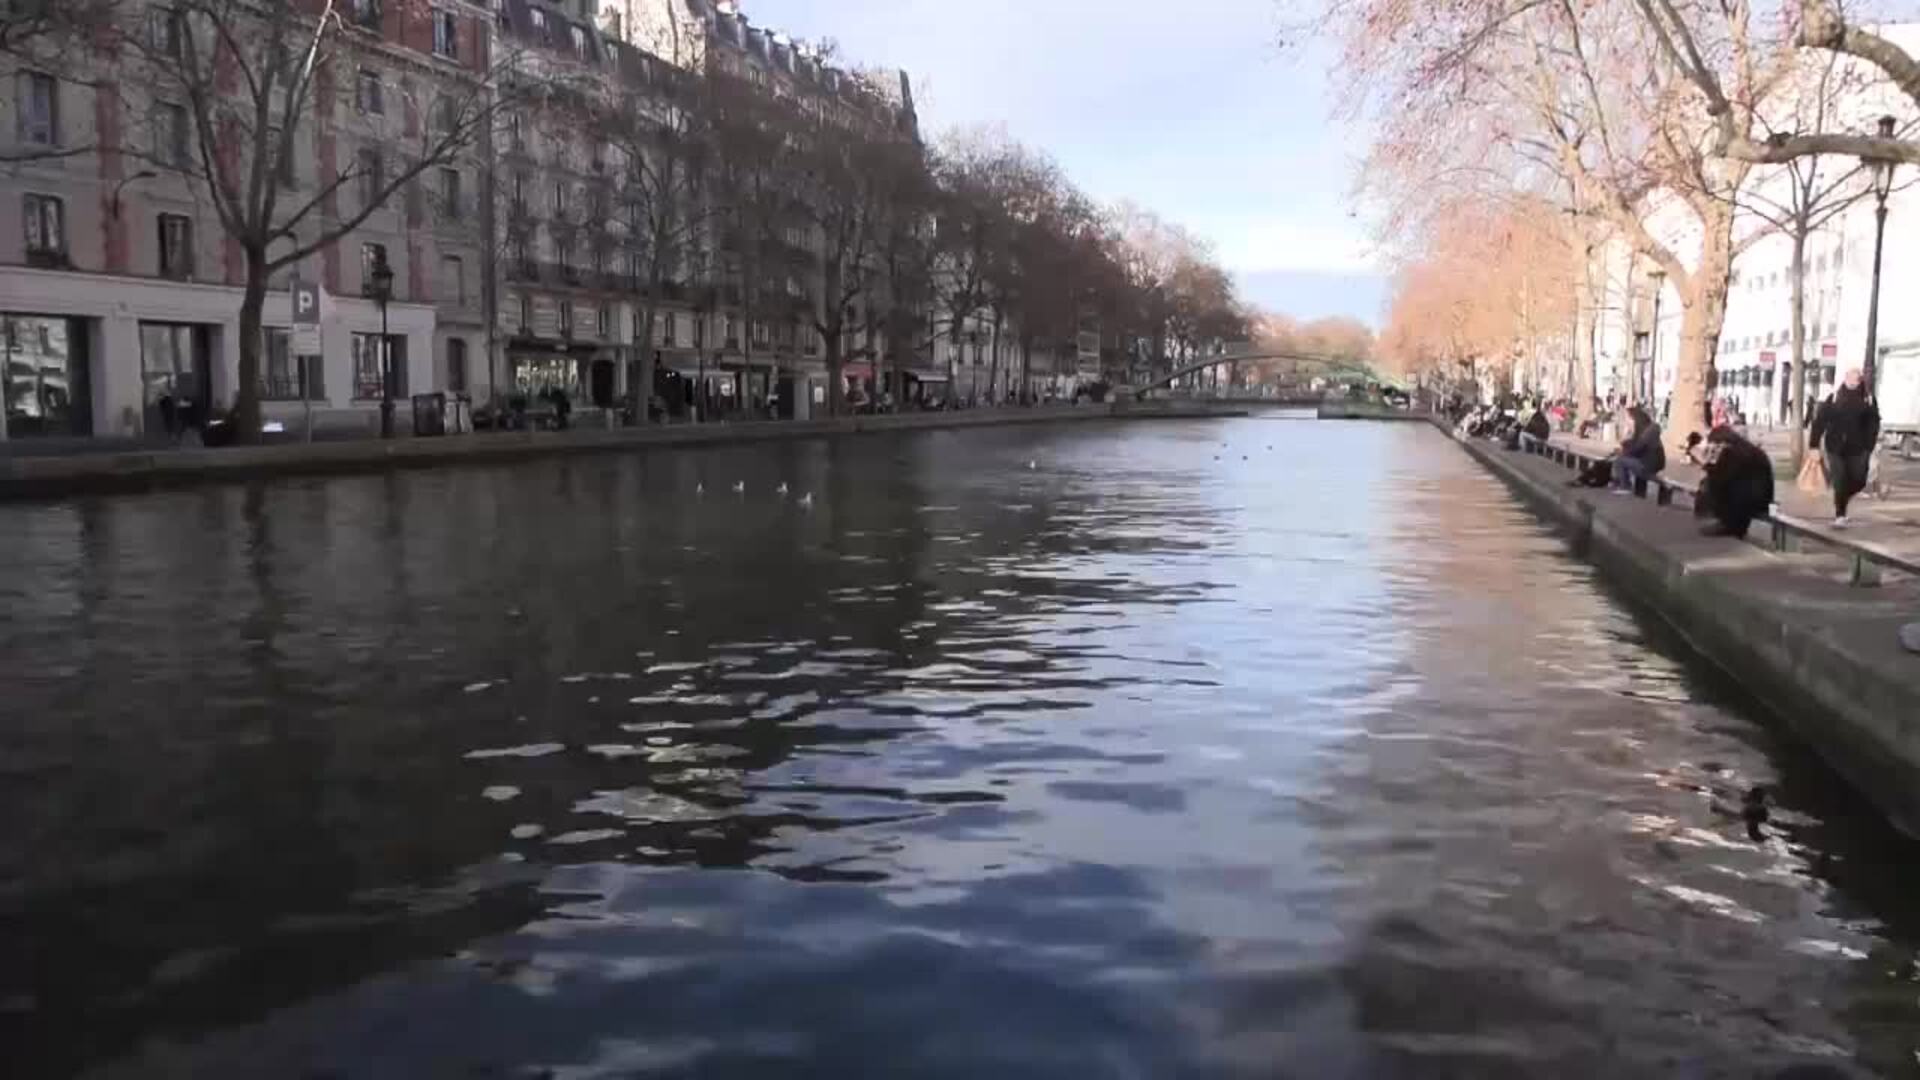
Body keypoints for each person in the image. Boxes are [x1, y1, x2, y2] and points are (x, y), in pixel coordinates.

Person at [1808, 367, 1881, 527]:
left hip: (1859, 448)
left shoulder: (1868, 399)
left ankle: (1842, 498)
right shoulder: (1834, 398)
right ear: (1845, 378)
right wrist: (1814, 445)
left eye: (1856, 378)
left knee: (1859, 480)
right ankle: (1840, 514)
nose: (1853, 381)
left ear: (1860, 380)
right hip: (1835, 447)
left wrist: (1870, 444)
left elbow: (1874, 423)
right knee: (1840, 480)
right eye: (1850, 377)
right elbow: (1819, 422)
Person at [1690, 427, 1775, 538]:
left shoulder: (1732, 452)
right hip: (1761, 498)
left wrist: (1707, 466)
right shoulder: (1748, 449)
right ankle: (1728, 524)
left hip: (1748, 500)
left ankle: (1728, 525)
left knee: (1711, 485)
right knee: (1713, 484)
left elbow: (1722, 480)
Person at [1611, 405, 1666, 493]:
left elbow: (1638, 448)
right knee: (1619, 456)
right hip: (1646, 461)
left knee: (1620, 460)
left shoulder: (1649, 432)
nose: (1627, 422)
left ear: (1635, 419)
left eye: (1628, 419)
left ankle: (1625, 486)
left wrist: (1624, 448)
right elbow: (1634, 445)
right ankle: (1618, 481)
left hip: (1649, 465)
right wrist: (1625, 441)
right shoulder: (1643, 429)